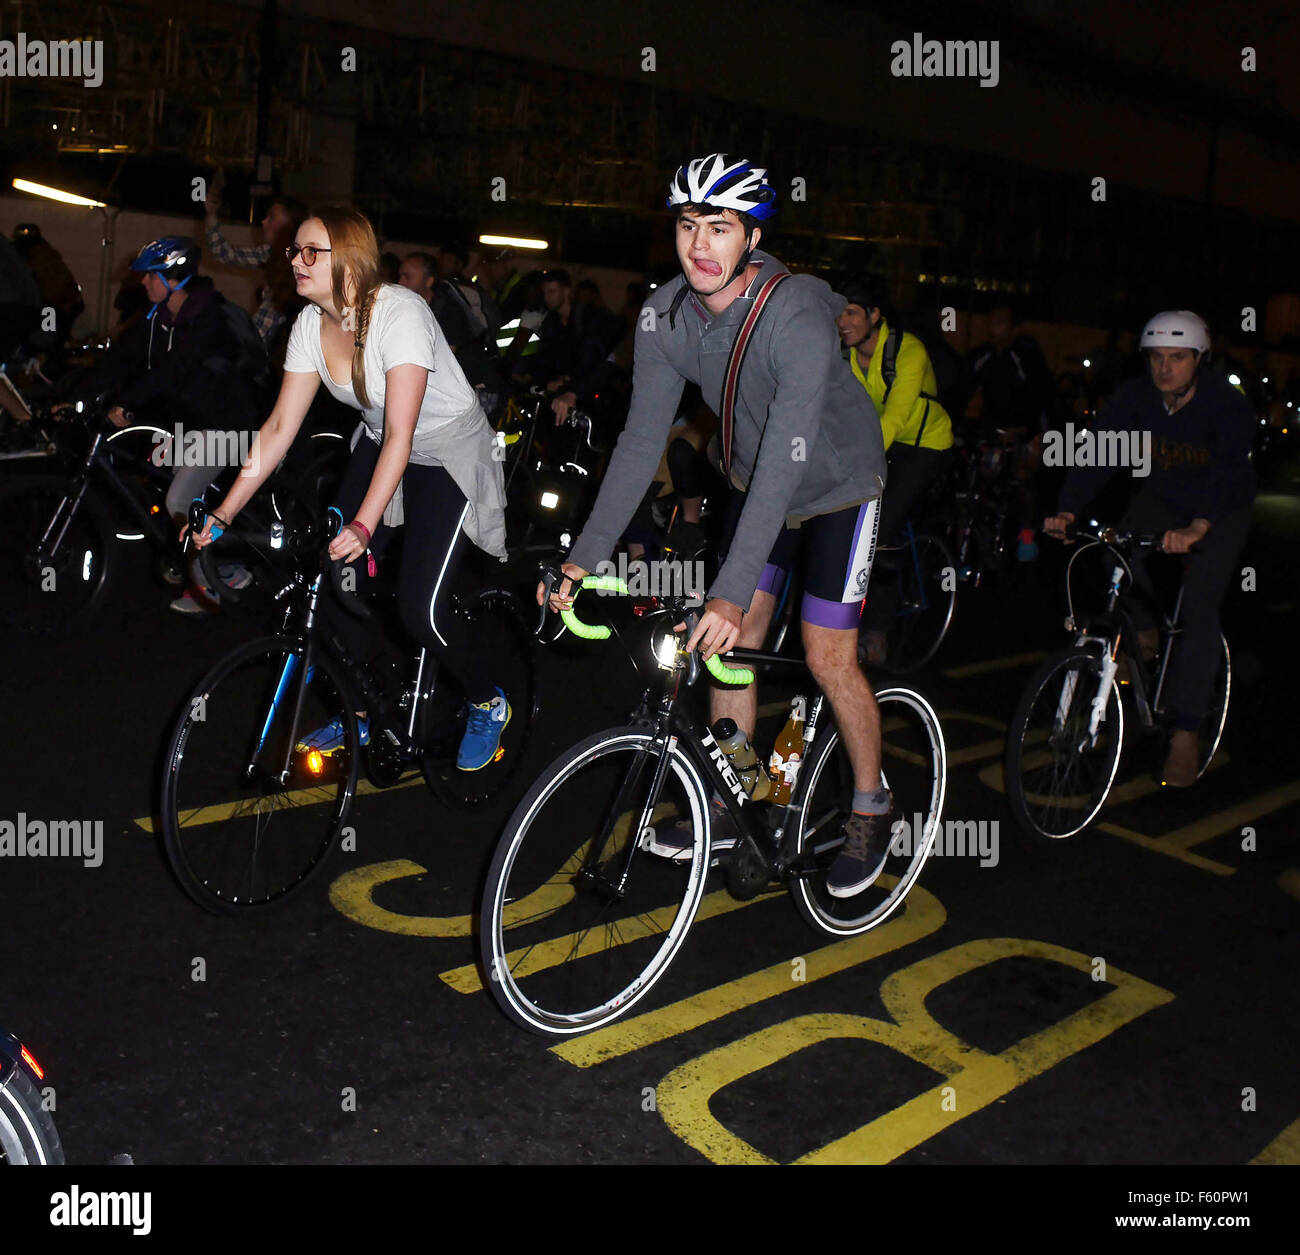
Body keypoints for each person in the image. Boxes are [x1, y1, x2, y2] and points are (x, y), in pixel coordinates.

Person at [543, 153, 892, 898]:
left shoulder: (793, 313)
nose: (700, 244)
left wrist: (730, 589)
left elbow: (789, 455)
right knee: (729, 644)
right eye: (687, 224)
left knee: (827, 655)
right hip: (756, 483)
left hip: (834, 485)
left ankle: (870, 803)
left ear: (752, 235)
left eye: (720, 227)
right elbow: (640, 443)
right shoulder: (665, 313)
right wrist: (581, 558)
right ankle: (747, 798)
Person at [191, 207, 512, 771]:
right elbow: (278, 429)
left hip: (445, 451)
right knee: (334, 580)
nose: (295, 260)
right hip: (378, 440)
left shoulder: (399, 313)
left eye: (311, 250)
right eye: (293, 250)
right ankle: (365, 709)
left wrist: (366, 524)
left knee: (421, 608)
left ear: (350, 259)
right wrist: (222, 510)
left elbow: (403, 433)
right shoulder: (309, 328)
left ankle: (489, 699)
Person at [1043, 310, 1255, 787]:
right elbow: (1099, 451)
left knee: (1198, 605)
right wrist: (1069, 509)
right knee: (1112, 550)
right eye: (1156, 358)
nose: (1164, 369)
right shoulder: (1136, 398)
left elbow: (1228, 474)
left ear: (1198, 360)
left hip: (1219, 511)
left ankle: (1184, 731)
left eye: (1177, 358)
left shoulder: (1226, 404)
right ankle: (1142, 627)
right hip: (1163, 498)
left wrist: (1200, 526)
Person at [58, 236, 269, 614]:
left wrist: (128, 401)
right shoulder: (159, 318)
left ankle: (212, 588)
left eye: (150, 276)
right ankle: (211, 559)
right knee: (167, 480)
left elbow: (174, 371)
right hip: (191, 423)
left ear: (174, 277)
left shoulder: (209, 318)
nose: (142, 283)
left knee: (178, 500)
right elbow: (121, 359)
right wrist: (75, 395)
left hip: (228, 425)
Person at [836, 279, 954, 665]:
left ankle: (877, 632)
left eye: (852, 312)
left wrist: (858, 458)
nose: (843, 321)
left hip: (924, 445)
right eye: (840, 312)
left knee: (879, 530)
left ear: (874, 316)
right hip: (883, 443)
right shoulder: (848, 355)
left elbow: (896, 415)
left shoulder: (908, 350)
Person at [967, 302, 1054, 559]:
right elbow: (965, 386)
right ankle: (968, 545)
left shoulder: (1026, 355)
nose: (993, 327)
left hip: (1023, 432)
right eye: (991, 320)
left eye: (1001, 321)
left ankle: (1027, 535)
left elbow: (1043, 395)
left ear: (1014, 327)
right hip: (992, 431)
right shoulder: (983, 355)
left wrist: (1040, 434)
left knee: (1024, 482)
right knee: (977, 487)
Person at [203, 176, 306, 362]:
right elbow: (224, 253)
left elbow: (264, 327)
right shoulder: (271, 253)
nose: (264, 222)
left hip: (278, 356)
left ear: (290, 224)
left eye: (272, 218)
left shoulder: (301, 263)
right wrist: (211, 216)